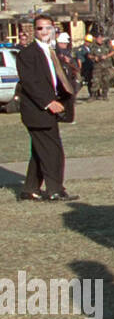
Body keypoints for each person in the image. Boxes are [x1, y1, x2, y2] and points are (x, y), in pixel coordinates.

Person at [16, 15, 77, 201]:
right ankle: (55, 190)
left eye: (48, 28)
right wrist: (48, 102)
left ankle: (30, 189)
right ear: (34, 31)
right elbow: (30, 82)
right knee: (52, 151)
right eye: (40, 28)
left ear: (53, 29)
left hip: (49, 109)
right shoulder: (28, 53)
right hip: (37, 110)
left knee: (40, 150)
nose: (44, 32)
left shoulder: (50, 51)